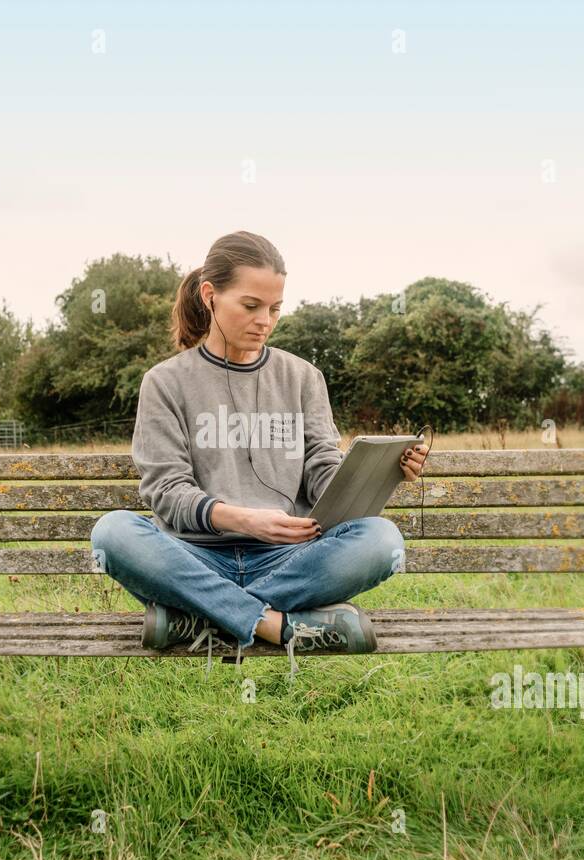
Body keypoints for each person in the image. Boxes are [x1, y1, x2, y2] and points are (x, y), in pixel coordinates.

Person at [89, 231, 428, 677]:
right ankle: (277, 625)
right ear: (210, 296)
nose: (264, 320)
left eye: (275, 308)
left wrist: (374, 475)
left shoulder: (304, 378)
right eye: (250, 307)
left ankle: (197, 617)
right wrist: (246, 519)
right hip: (194, 555)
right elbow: (167, 492)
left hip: (289, 557)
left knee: (383, 542)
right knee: (112, 534)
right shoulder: (165, 383)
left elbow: (322, 470)